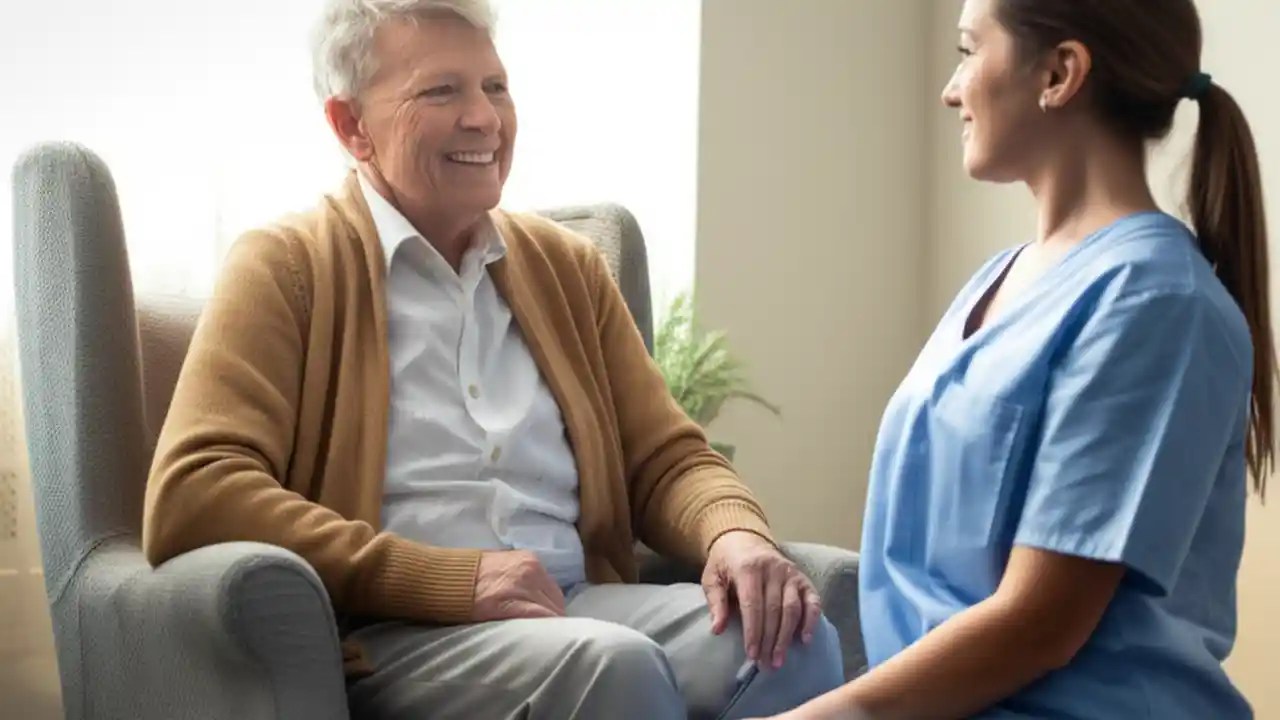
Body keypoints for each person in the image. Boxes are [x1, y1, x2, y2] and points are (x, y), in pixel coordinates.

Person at [141, 1, 843, 718]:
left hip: (579, 604)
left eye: (495, 88)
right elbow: (197, 491)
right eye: (441, 91)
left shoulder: (567, 269)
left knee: (790, 639)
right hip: (402, 634)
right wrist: (445, 580)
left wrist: (734, 533)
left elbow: (666, 459)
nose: (484, 118)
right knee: (612, 664)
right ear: (351, 126)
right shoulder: (287, 267)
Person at [752, 0, 1272, 718]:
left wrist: (837, 713)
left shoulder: (1156, 302)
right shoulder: (999, 278)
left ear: (1060, 73)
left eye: (969, 50)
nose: (951, 88)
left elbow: (1041, 625)